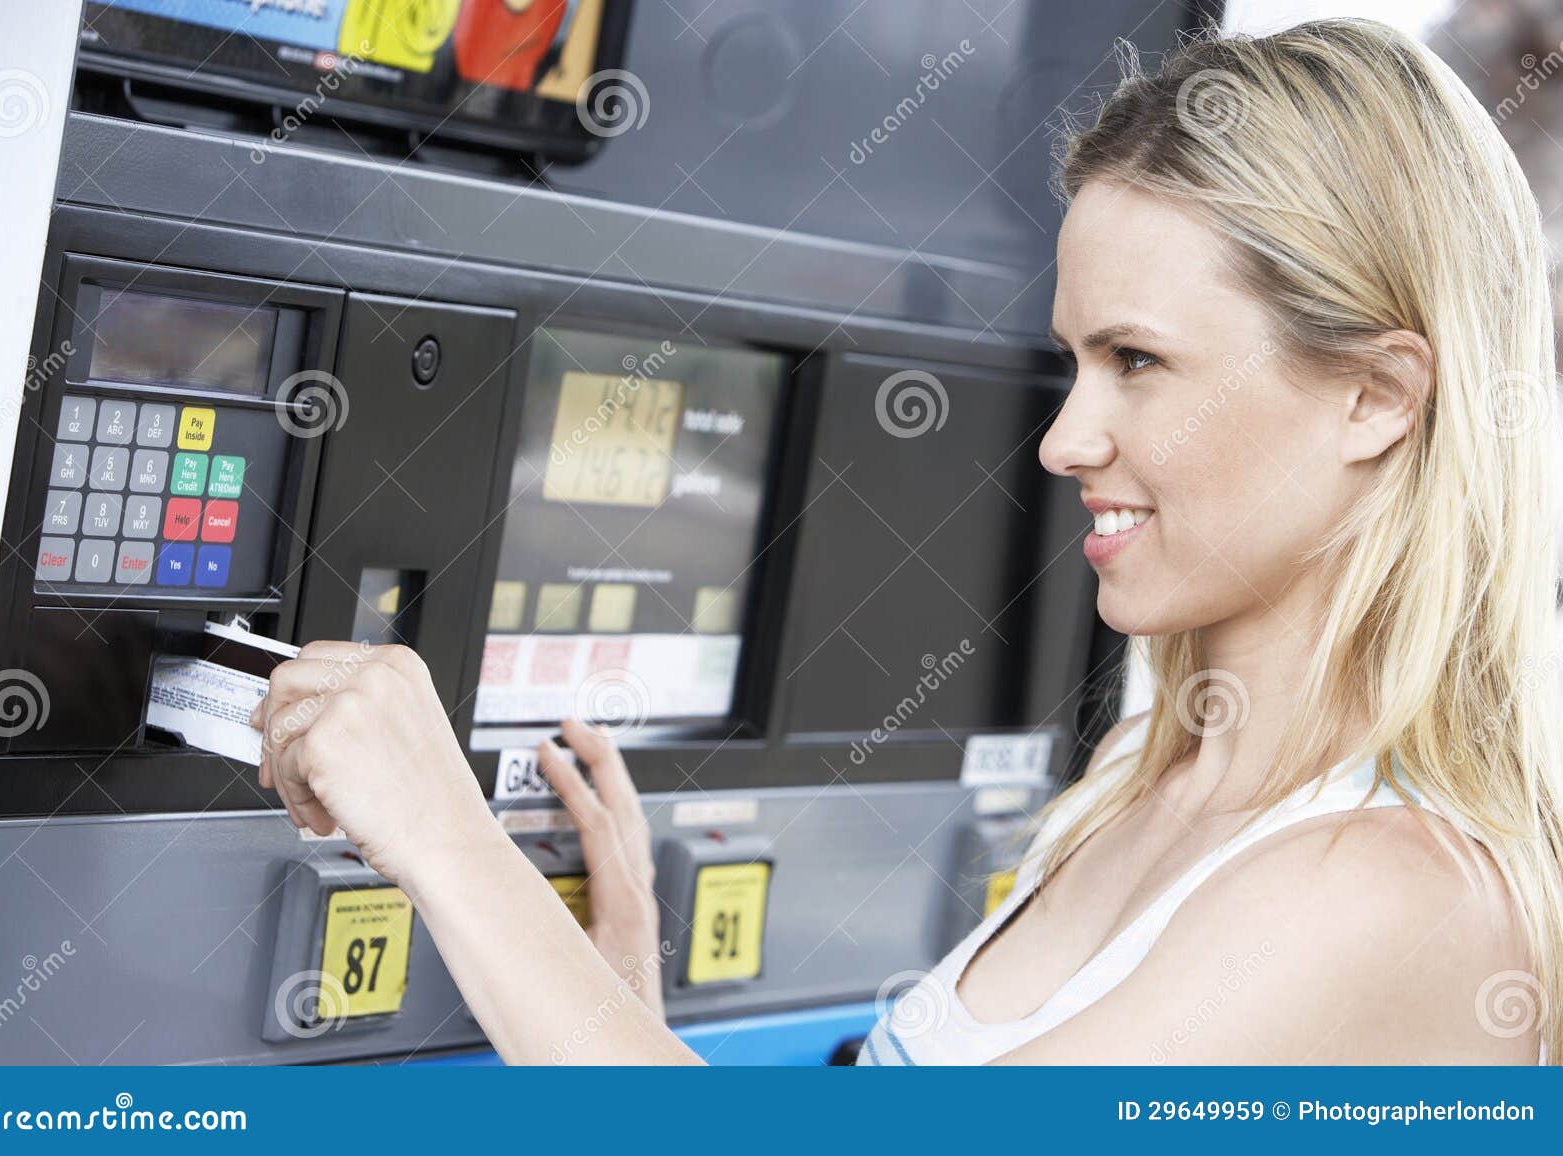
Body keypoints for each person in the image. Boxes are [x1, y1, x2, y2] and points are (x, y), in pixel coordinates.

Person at [249, 18, 1562, 1064]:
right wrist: (615, 1000)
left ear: (1378, 398)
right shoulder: (1138, 788)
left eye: (1139, 362)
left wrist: (446, 839)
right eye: (1072, 362)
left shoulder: (1399, 896)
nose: (1065, 440)